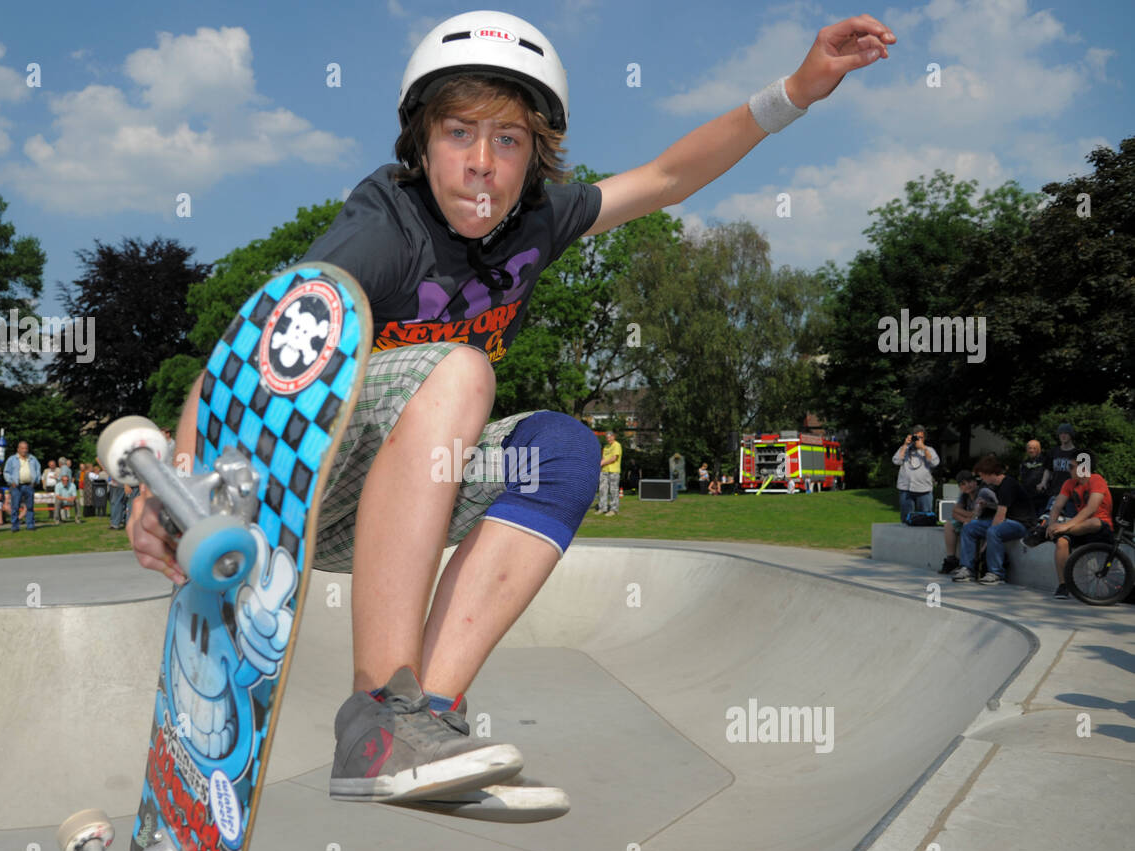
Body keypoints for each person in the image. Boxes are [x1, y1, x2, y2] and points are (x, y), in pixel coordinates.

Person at [128, 9, 897, 802]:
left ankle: (428, 714)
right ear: (421, 142)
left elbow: (668, 177)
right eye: (460, 134)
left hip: (407, 498)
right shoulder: (387, 224)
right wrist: (179, 485)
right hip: (310, 477)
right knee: (460, 372)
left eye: (509, 142)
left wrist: (797, 91)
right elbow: (269, 335)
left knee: (564, 449)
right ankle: (377, 714)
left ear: (535, 160)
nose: (482, 166)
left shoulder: (543, 219)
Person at [951, 456, 1034, 585]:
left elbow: (1000, 516)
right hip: (1007, 520)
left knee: (993, 531)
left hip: (1021, 524)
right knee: (969, 527)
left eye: (982, 475)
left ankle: (996, 574)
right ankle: (967, 568)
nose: (982, 479)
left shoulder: (1008, 484)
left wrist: (985, 545)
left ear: (990, 473)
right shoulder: (998, 486)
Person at [1043, 451, 1114, 600]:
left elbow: (1091, 509)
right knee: (1062, 542)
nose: (1068, 470)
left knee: (1093, 521)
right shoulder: (1069, 483)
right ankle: (1063, 586)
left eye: (1071, 466)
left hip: (1101, 528)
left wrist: (1065, 526)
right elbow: (1056, 506)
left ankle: (1055, 532)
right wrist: (1051, 524)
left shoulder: (1096, 480)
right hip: (1080, 528)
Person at [939, 469, 995, 574]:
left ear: (975, 482)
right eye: (963, 484)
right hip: (973, 520)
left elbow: (977, 513)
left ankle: (975, 563)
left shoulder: (982, 492)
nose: (967, 486)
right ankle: (951, 559)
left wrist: (968, 518)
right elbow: (954, 511)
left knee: (969, 526)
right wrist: (967, 518)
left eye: (970, 482)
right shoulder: (964, 495)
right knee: (949, 524)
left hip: (986, 522)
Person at [892, 425, 939, 519]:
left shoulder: (929, 450)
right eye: (916, 437)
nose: (918, 440)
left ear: (924, 438)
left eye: (921, 437)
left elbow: (934, 463)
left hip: (924, 489)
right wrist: (905, 445)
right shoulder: (904, 449)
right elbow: (896, 461)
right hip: (906, 488)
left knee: (926, 518)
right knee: (906, 519)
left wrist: (923, 448)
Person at [1042, 423, 1080, 519]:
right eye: (1061, 433)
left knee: (1069, 520)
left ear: (1071, 435)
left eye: (1066, 433)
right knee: (1048, 518)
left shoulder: (1077, 453)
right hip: (1055, 492)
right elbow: (1048, 469)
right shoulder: (1053, 452)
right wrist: (1043, 482)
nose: (1063, 436)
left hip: (1072, 495)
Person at [3, 440, 40, 532]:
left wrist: (36, 481)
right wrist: (11, 482)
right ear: (18, 449)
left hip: (29, 485)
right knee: (15, 507)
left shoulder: (32, 459)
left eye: (26, 448)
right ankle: (15, 526)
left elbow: (38, 470)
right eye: (22, 448)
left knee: (30, 507)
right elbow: (6, 472)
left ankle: (30, 525)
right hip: (16, 486)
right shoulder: (12, 459)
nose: (24, 450)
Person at [1018, 438, 1048, 518]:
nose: (1031, 450)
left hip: (1041, 499)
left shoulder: (1045, 462)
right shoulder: (1024, 463)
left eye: (1034, 448)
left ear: (1039, 449)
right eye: (1030, 448)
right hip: (1027, 498)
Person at [597, 431, 623, 516]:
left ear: (613, 436)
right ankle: (602, 508)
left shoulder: (617, 445)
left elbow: (614, 458)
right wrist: (600, 464)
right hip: (604, 471)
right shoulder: (606, 447)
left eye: (610, 437)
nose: (608, 439)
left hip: (614, 471)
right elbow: (604, 458)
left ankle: (613, 509)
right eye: (607, 438)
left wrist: (602, 463)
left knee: (613, 491)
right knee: (602, 490)